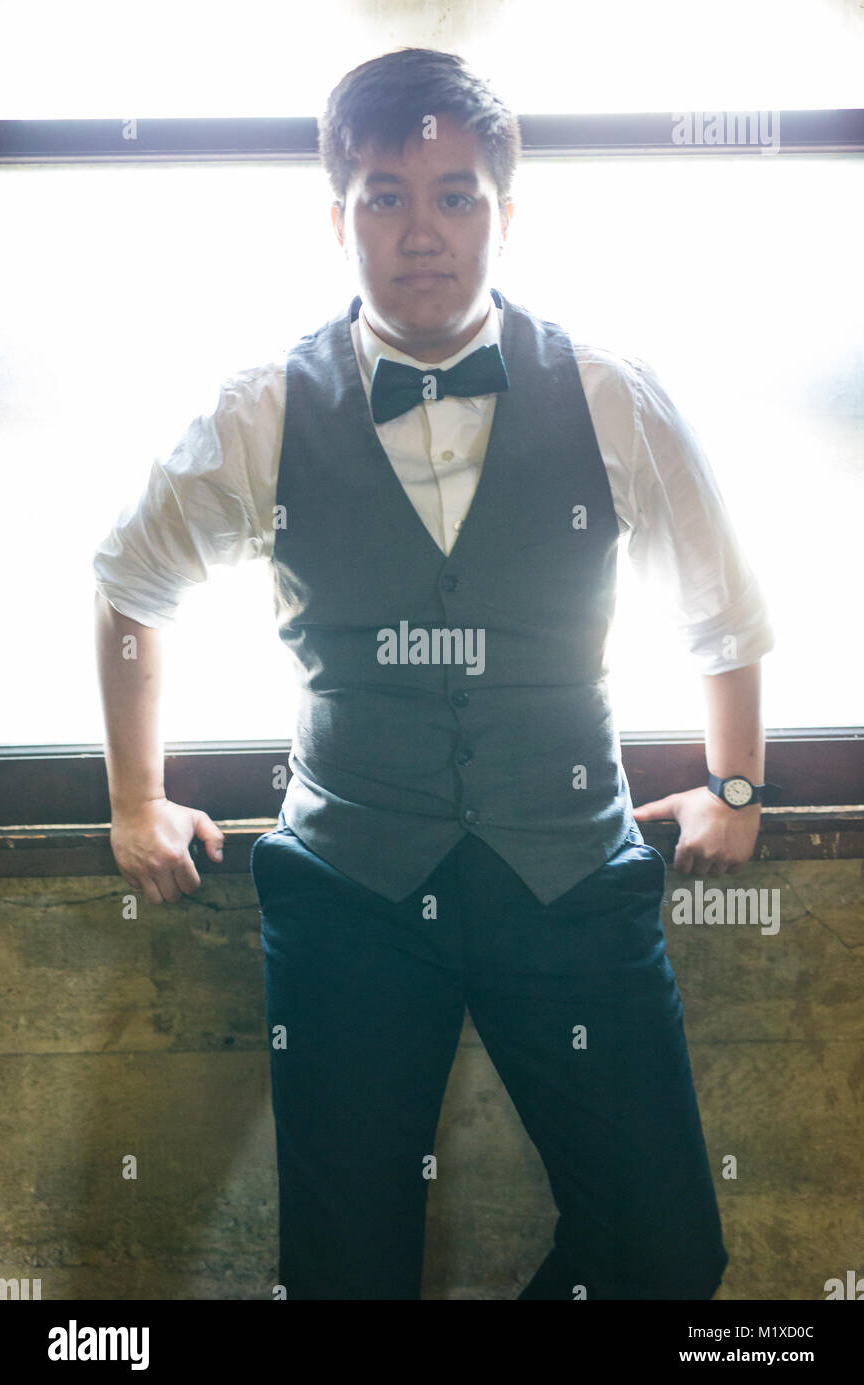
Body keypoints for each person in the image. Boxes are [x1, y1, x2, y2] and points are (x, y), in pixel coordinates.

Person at [94, 47, 775, 1300]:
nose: (422, 232)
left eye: (455, 195)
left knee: (668, 1250)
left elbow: (720, 609)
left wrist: (732, 786)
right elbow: (132, 588)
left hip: (570, 878)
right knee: (344, 1276)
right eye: (384, 195)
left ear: (504, 215)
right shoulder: (262, 411)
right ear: (336, 214)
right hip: (352, 892)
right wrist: (135, 800)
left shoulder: (611, 394)